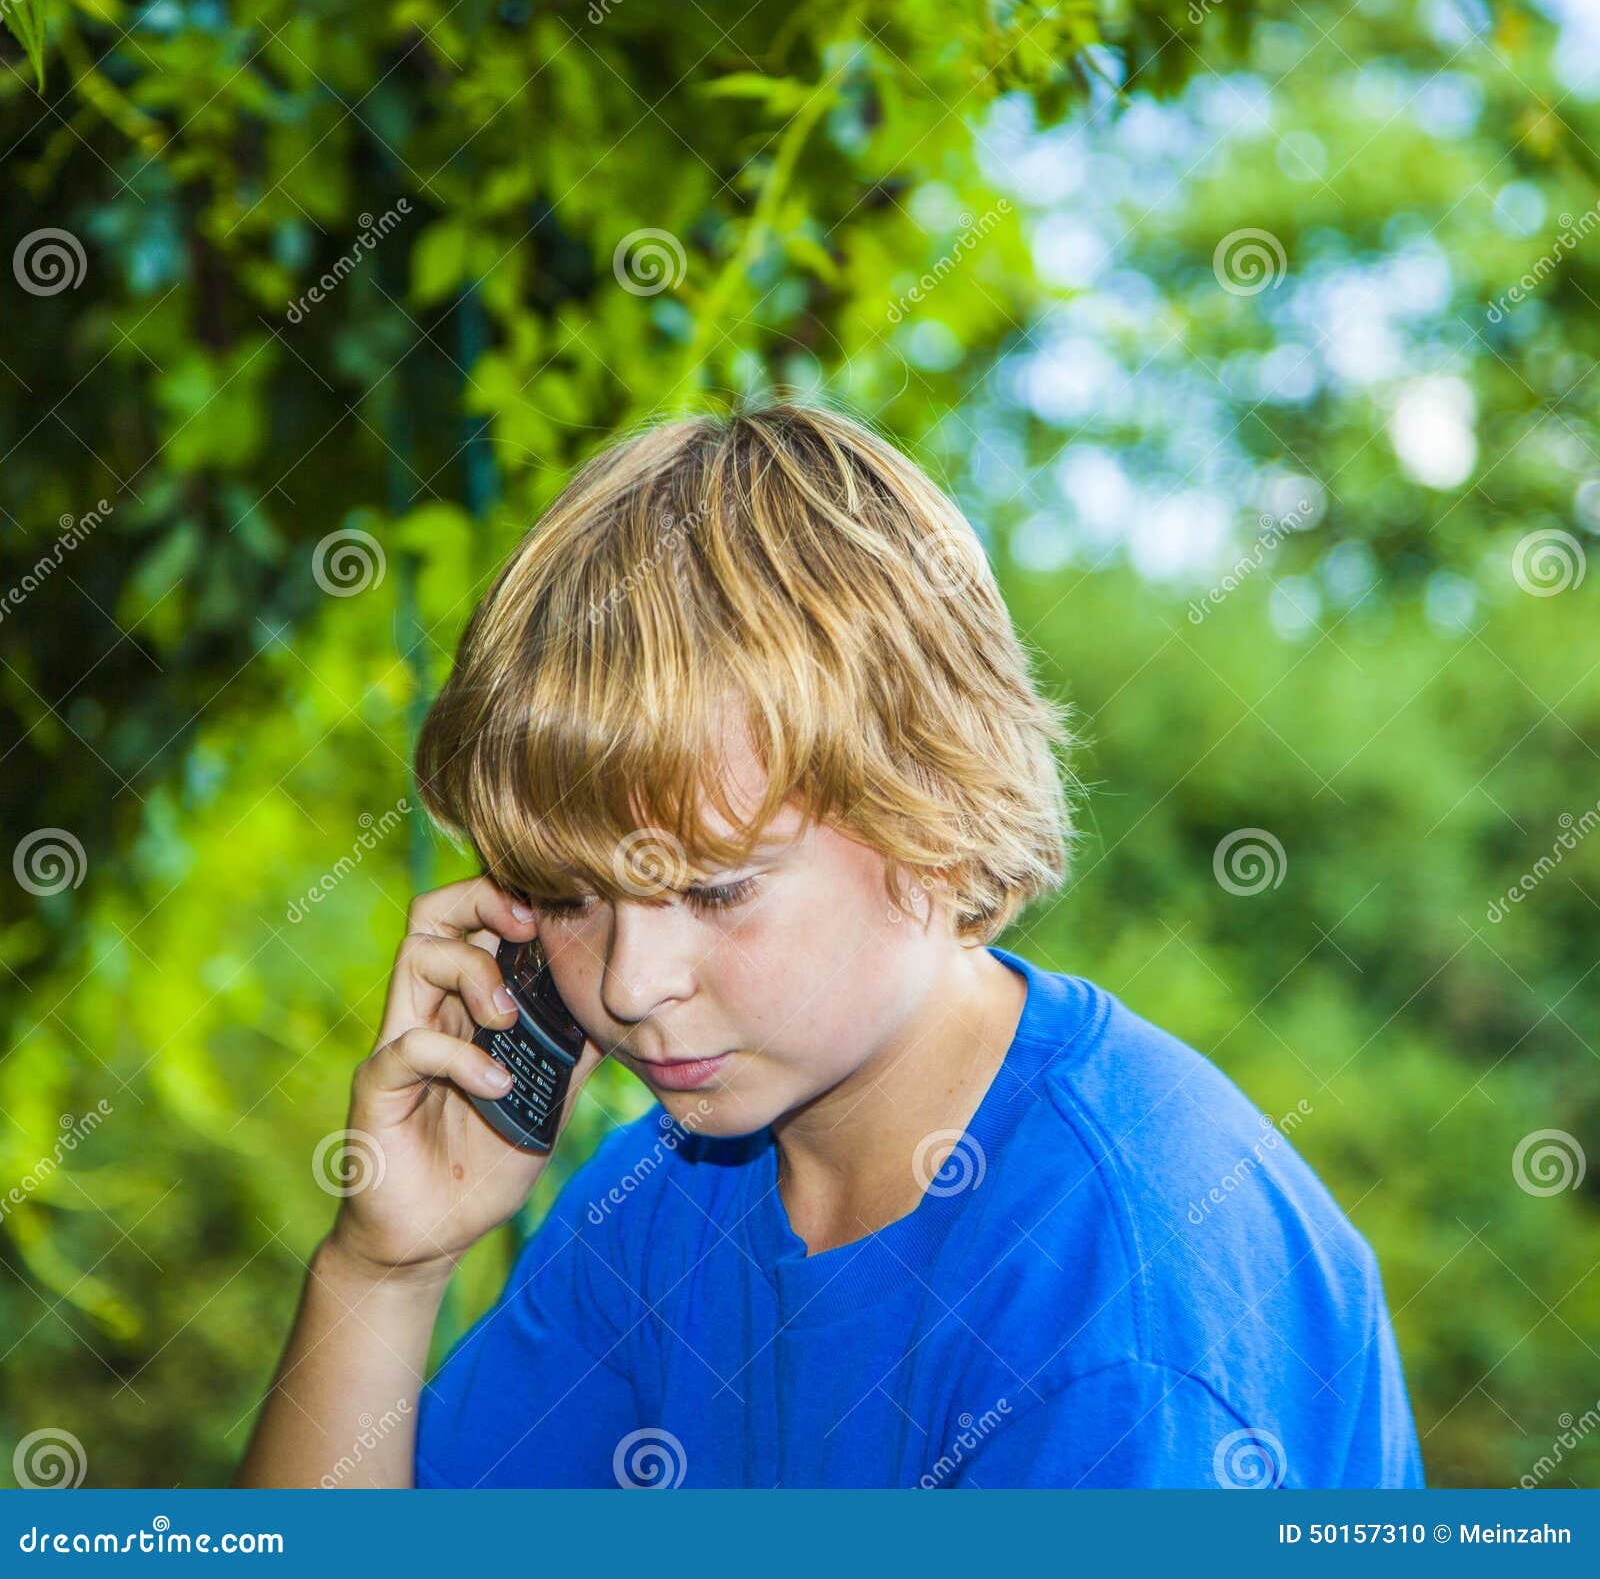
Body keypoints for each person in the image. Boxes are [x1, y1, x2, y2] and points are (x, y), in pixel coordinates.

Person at [234, 399, 1424, 1489]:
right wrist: (382, 1273)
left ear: (936, 819)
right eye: (568, 894)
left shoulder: (1117, 1326)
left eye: (716, 891)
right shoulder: (672, 1192)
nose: (633, 985)